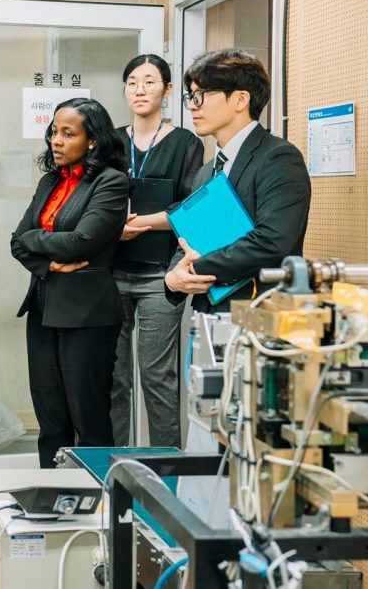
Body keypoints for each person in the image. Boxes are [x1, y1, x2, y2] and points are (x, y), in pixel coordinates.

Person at [11, 97, 130, 467]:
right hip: (44, 307)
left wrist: (36, 240)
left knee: (88, 419)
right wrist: (49, 261)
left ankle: (98, 510)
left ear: (92, 140)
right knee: (51, 420)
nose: (55, 141)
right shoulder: (51, 181)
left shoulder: (111, 182)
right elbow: (17, 240)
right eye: (53, 133)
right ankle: (54, 497)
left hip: (87, 314)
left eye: (67, 134)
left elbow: (82, 241)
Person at [164, 48, 311, 311]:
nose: (191, 105)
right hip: (208, 312)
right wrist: (174, 277)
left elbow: (273, 241)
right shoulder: (207, 170)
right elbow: (191, 239)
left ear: (241, 99)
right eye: (191, 96)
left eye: (201, 95)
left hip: (259, 309)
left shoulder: (278, 157)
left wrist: (196, 268)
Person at [110, 55, 204, 448]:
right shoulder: (113, 141)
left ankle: (168, 474)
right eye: (132, 82)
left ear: (167, 90)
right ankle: (109, 471)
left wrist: (143, 221)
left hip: (160, 278)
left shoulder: (186, 143)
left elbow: (191, 209)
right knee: (111, 377)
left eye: (149, 82)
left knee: (156, 374)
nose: (139, 89)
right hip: (111, 274)